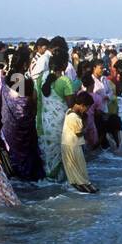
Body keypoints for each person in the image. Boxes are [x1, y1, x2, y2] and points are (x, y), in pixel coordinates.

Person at [0, 49, 45, 181]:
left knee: (14, 153)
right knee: (26, 154)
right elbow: (24, 105)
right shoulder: (22, 80)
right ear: (25, 64)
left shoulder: (7, 77)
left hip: (8, 125)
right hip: (22, 126)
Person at [36, 50, 78, 180]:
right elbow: (71, 105)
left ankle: (48, 182)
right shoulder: (65, 81)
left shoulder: (40, 78)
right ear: (64, 65)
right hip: (61, 125)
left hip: (42, 124)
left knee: (47, 156)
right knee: (62, 155)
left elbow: (35, 99)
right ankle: (61, 184)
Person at [62, 91, 98, 193]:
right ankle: (86, 186)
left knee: (73, 170)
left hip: (66, 144)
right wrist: (85, 128)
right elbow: (79, 133)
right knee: (80, 167)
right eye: (87, 107)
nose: (87, 110)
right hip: (73, 145)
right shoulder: (75, 117)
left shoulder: (69, 111)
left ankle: (81, 185)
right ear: (82, 106)